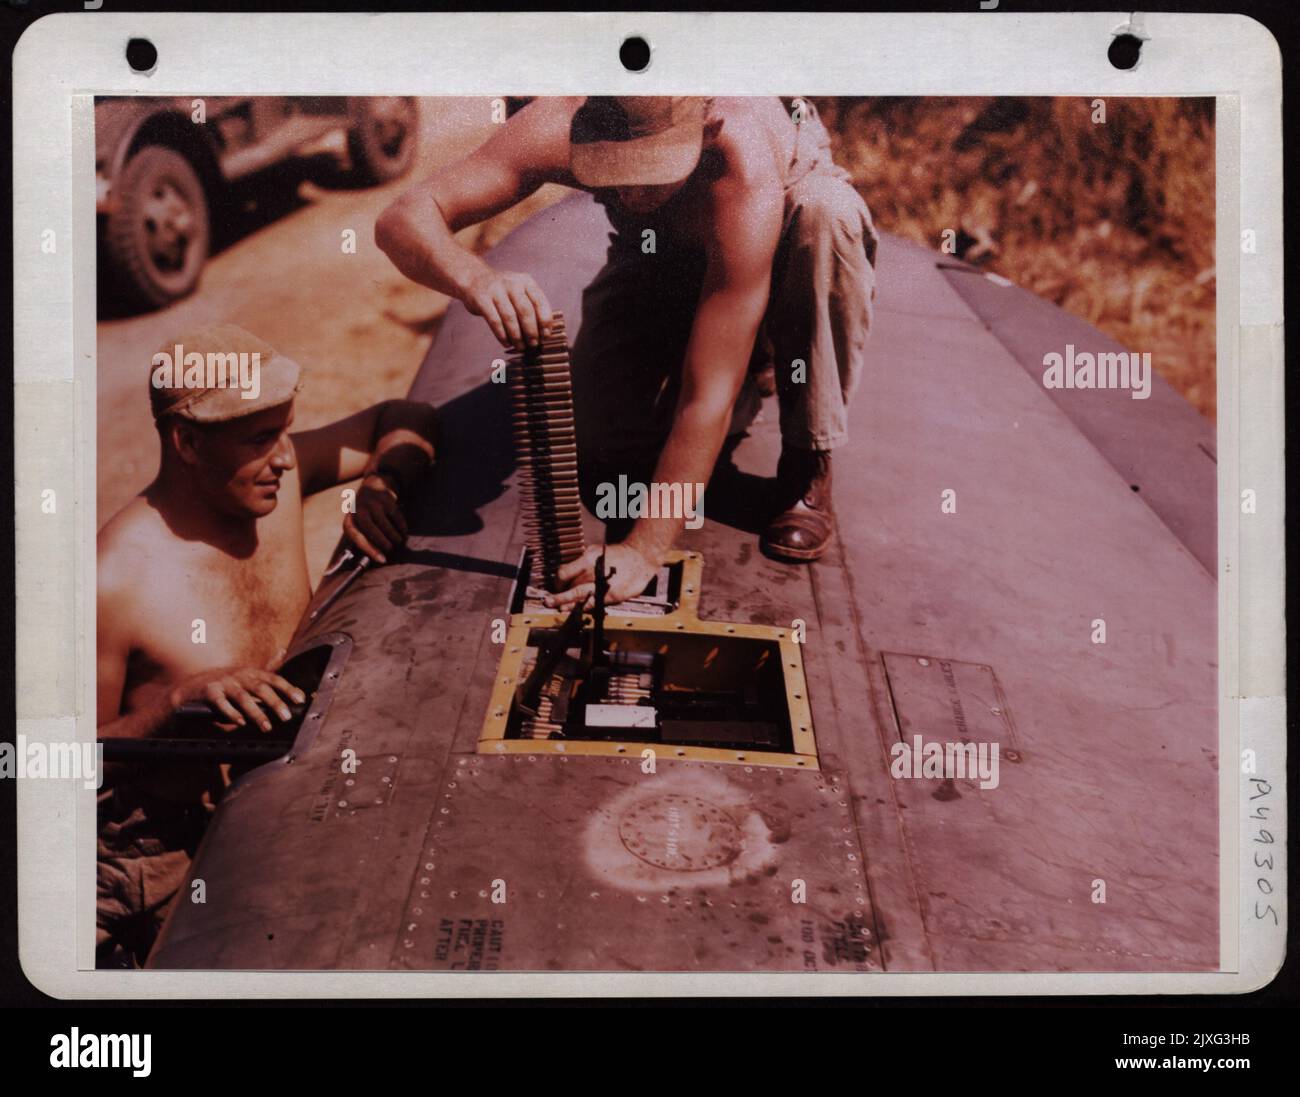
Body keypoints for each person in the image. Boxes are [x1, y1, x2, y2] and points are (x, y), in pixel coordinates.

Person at [376, 95, 876, 605]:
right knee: (605, 455)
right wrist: (474, 278)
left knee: (825, 217)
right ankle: (726, 326)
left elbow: (708, 394)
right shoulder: (558, 123)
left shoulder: (741, 154)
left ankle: (805, 450)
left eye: (652, 172)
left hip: (783, 219)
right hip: (660, 246)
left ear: (707, 130)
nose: (633, 194)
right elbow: (401, 220)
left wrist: (643, 550)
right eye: (617, 172)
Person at [95, 322, 438, 966]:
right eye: (260, 439)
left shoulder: (272, 486)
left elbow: (405, 414)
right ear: (187, 443)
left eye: (286, 430)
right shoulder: (114, 580)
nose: (286, 457)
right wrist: (176, 705)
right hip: (158, 855)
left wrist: (384, 481)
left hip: (286, 790)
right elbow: (66, 767)